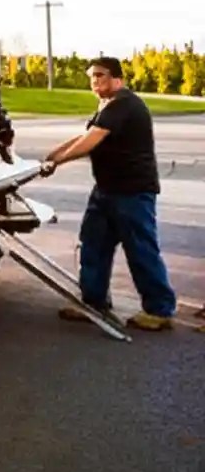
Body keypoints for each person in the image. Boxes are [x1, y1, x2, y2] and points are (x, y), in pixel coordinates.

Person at [39, 56, 176, 331]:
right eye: (92, 76)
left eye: (100, 75)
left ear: (118, 79)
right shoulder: (107, 106)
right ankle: (93, 301)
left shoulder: (125, 104)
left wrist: (57, 162)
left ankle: (160, 310)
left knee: (141, 249)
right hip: (106, 190)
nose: (95, 81)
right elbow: (85, 134)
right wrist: (51, 155)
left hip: (132, 192)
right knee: (93, 244)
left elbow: (91, 141)